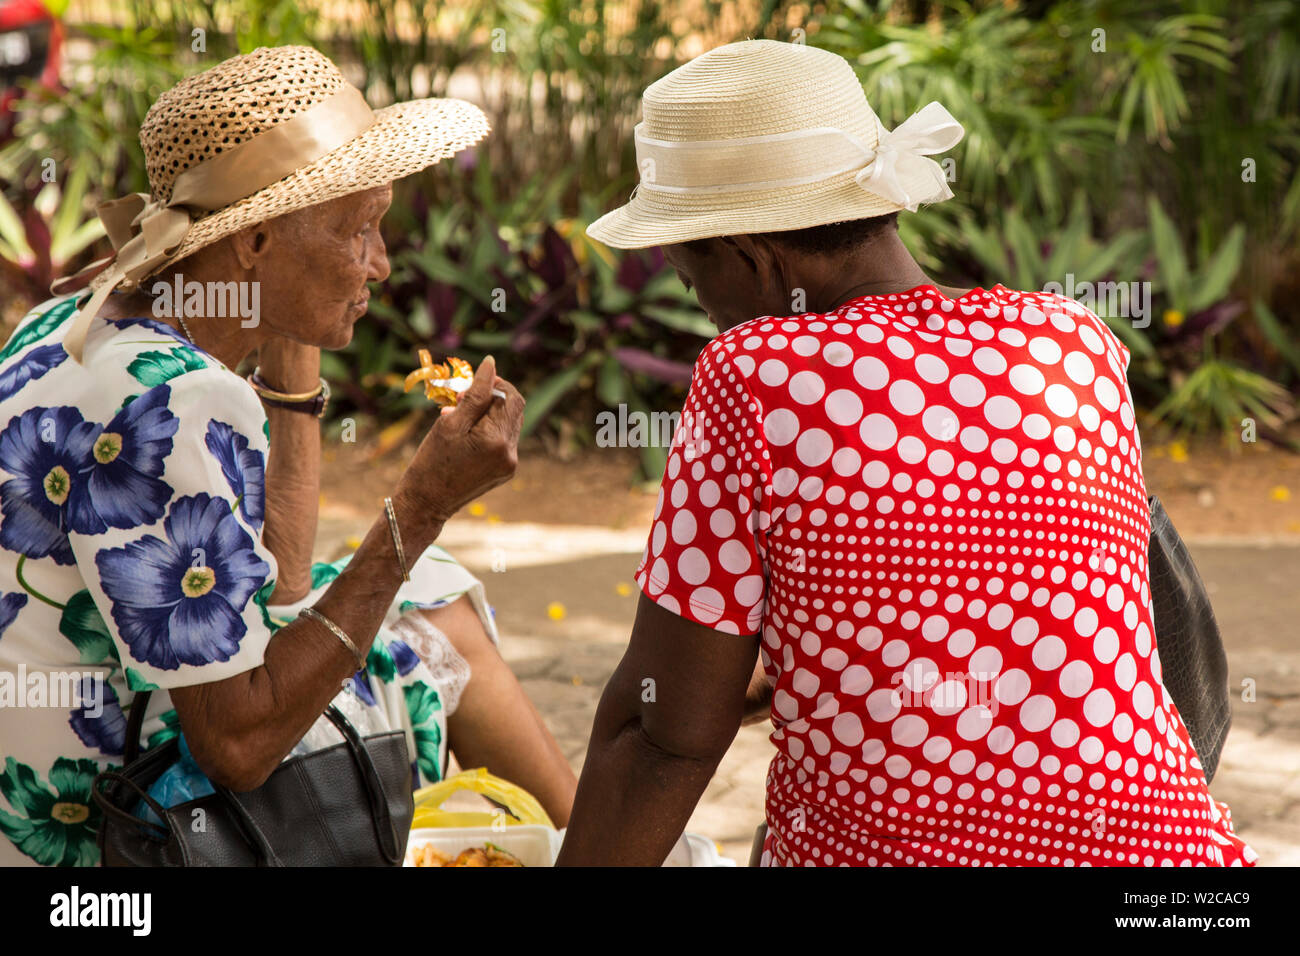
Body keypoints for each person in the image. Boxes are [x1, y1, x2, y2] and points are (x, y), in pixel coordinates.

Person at [557, 39, 1257, 867]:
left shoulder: (754, 377)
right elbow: (1012, 602)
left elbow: (661, 735)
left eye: (686, 270)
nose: (698, 303)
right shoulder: (1075, 344)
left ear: (749, 253)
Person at [0, 45, 574, 867]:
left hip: (66, 735)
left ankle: (602, 851)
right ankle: (612, 853)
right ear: (255, 241)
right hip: (97, 832)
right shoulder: (180, 401)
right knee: (428, 610)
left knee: (434, 589)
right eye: (359, 230)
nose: (379, 264)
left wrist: (291, 338)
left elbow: (284, 582)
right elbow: (238, 744)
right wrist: (418, 507)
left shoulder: (74, 321)